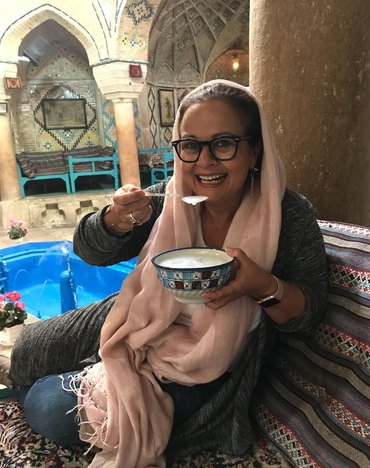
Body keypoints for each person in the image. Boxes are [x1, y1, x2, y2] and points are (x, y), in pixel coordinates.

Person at [9, 79, 328, 467]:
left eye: (223, 143)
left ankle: (79, 385)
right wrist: (116, 219)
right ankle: (86, 373)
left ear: (254, 150)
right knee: (27, 349)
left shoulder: (288, 215)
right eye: (191, 145)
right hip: (143, 323)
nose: (204, 162)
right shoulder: (169, 199)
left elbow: (307, 314)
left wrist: (260, 284)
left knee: (44, 405)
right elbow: (88, 251)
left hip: (208, 365)